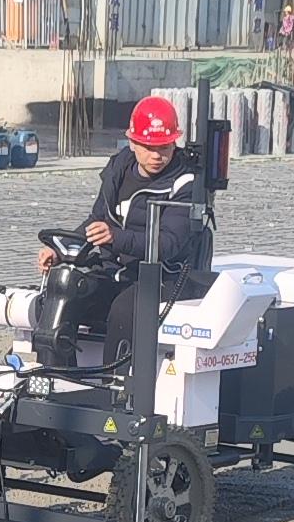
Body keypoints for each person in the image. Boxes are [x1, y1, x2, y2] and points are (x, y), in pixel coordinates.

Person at [33, 95, 214, 368]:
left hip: (164, 276)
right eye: (149, 147)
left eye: (164, 147)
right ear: (132, 143)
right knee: (61, 290)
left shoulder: (186, 182)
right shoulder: (119, 167)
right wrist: (60, 251)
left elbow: (169, 243)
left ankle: (117, 383)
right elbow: (97, 220)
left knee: (124, 309)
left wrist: (116, 238)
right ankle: (58, 375)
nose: (157, 156)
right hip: (115, 270)